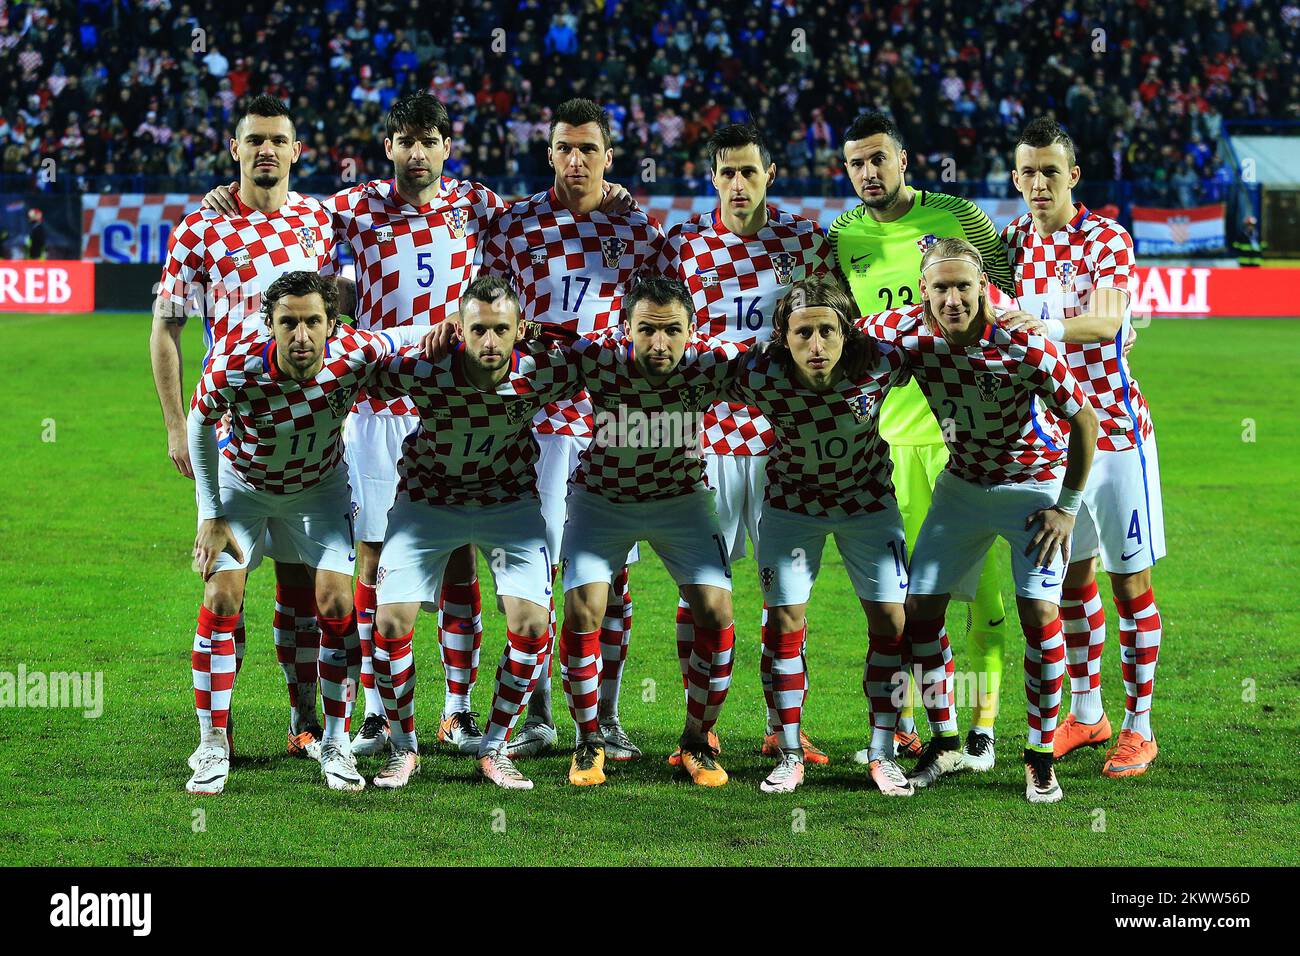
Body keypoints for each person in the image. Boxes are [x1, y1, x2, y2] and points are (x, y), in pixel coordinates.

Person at [201, 92, 637, 759]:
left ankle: (457, 712)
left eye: (428, 140)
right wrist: (225, 196)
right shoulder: (353, 207)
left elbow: (541, 211)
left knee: (460, 550)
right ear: (389, 148)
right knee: (374, 556)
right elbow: (288, 208)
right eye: (405, 141)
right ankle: (378, 714)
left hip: (457, 397)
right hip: (379, 401)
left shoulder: (478, 205)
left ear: (445, 146)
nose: (417, 153)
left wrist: (615, 196)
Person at [865, 237, 1099, 804]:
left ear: (982, 288)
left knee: (1039, 612)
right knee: (920, 610)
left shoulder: (1023, 344)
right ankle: (944, 744)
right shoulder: (908, 334)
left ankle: (1039, 757)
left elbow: (1085, 422)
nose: (952, 299)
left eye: (963, 286)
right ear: (923, 290)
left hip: (1032, 490)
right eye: (940, 287)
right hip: (963, 486)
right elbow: (845, 331)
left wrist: (1066, 509)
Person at [184, 271, 434, 794]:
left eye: (313, 322)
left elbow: (410, 335)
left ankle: (337, 742)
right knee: (222, 596)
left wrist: (453, 321)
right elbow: (199, 421)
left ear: (332, 323)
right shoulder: (236, 359)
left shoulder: (354, 351)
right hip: (244, 488)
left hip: (320, 489)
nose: (302, 336)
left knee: (337, 604)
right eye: (289, 322)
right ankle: (211, 744)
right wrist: (211, 513)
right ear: (269, 324)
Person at [828, 112, 1015, 771]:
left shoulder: (960, 216)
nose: (868, 172)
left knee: (986, 596)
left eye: (878, 158)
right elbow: (836, 325)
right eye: (855, 163)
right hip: (889, 445)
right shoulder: (843, 235)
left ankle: (985, 734)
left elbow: (1015, 297)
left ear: (905, 159)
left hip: (971, 441)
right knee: (903, 601)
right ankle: (909, 725)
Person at [153, 94, 337, 763]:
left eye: (277, 140)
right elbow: (165, 329)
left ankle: (304, 720)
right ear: (236, 149)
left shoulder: (321, 220)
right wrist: (178, 425)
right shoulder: (200, 229)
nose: (266, 150)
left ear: (295, 151)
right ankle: (216, 735)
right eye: (254, 139)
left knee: (304, 590)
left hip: (311, 434)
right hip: (232, 432)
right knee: (225, 585)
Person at [480, 98, 663, 762]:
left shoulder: (638, 231)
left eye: (589, 148)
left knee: (611, 577)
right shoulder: (514, 225)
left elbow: (663, 322)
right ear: (550, 153)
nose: (577, 159)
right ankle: (539, 718)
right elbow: (486, 316)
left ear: (609, 158)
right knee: (537, 569)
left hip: (615, 421)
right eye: (565, 148)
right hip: (540, 421)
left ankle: (607, 717)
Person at [655, 122, 834, 768]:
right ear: (712, 178)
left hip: (782, 446)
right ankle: (699, 726)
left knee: (786, 595)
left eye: (748, 172)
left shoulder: (805, 243)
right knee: (700, 596)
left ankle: (784, 728)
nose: (738, 184)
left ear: (770, 174)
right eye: (726, 173)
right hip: (705, 446)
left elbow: (830, 336)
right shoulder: (685, 245)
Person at [362, 277, 583, 790]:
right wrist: (422, 331)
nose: (489, 343)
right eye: (477, 329)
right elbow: (365, 357)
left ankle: (495, 746)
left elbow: (596, 347)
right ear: (459, 328)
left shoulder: (540, 371)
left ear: (519, 331)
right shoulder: (424, 367)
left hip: (508, 505)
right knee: (390, 623)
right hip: (427, 505)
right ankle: (403, 748)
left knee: (533, 624)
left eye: (501, 330)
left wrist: (544, 336)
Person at [1001, 117, 1166, 779]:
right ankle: (1087, 711)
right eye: (1027, 172)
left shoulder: (1104, 238)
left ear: (1073, 176)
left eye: (1050, 171)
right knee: (1072, 581)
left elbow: (1106, 319)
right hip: (1052, 438)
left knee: (1129, 583)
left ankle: (1140, 730)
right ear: (1015, 178)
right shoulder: (1009, 242)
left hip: (1118, 435)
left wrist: (1034, 321)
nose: (1038, 183)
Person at [555, 274, 743, 787]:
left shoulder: (715, 363)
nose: (659, 344)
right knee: (583, 607)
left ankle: (697, 741)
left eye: (672, 331)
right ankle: (588, 739)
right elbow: (536, 342)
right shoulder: (595, 358)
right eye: (646, 330)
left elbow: (779, 362)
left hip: (682, 501)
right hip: (602, 500)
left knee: (717, 609)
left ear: (692, 331)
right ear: (625, 328)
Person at [728, 275, 912, 794]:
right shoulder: (757, 372)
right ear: (782, 336)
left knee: (892, 623)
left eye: (827, 332)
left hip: (869, 505)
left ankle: (883, 751)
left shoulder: (881, 363)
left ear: (846, 332)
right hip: (792, 507)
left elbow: (934, 338)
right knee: (784, 622)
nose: (815, 345)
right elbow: (690, 374)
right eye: (802, 333)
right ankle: (789, 750)